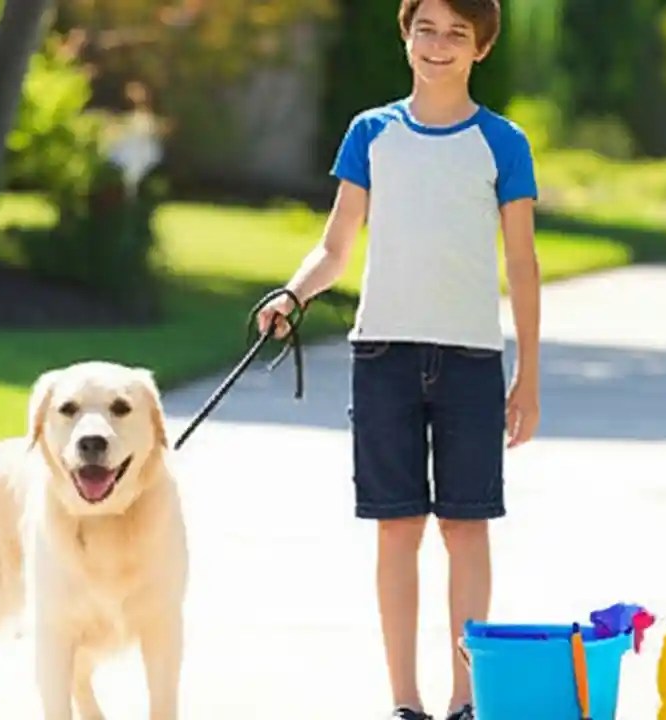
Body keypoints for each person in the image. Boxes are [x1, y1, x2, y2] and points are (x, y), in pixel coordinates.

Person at [257, 0, 541, 717]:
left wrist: (528, 374)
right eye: (426, 29)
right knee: (397, 528)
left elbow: (523, 261)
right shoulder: (372, 133)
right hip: (382, 355)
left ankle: (466, 699)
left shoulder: (502, 143)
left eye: (457, 34)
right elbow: (335, 246)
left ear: (481, 49)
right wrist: (293, 294)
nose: (438, 45)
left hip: (473, 360)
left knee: (465, 526)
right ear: (405, 35)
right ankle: (406, 702)